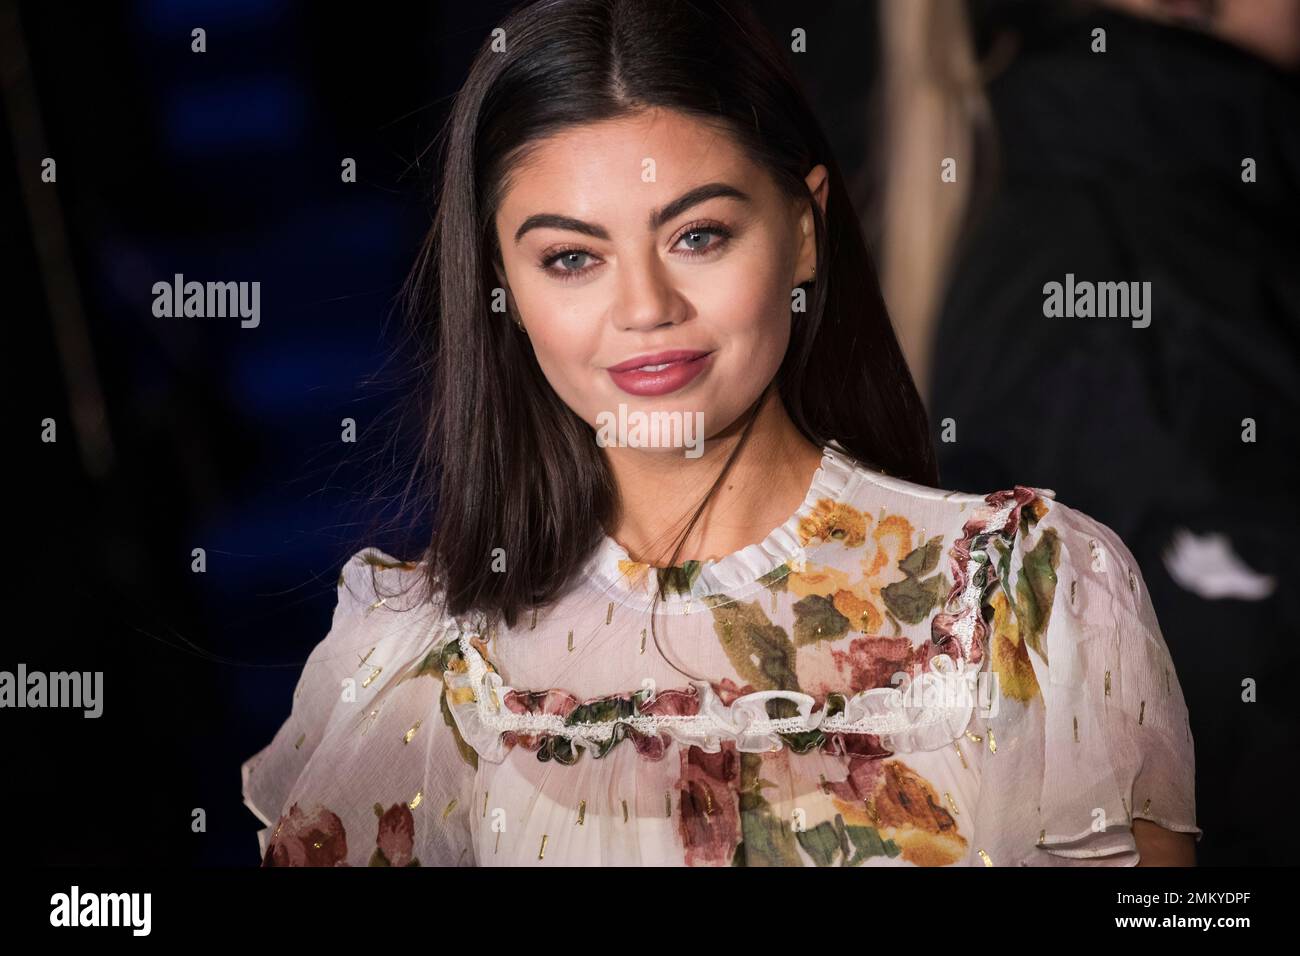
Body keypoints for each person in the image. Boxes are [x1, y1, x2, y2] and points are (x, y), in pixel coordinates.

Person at [240, 0, 1199, 867]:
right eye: (572, 258)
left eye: (698, 235)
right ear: (503, 290)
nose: (645, 307)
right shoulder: (419, 663)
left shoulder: (1027, 595)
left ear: (805, 230)